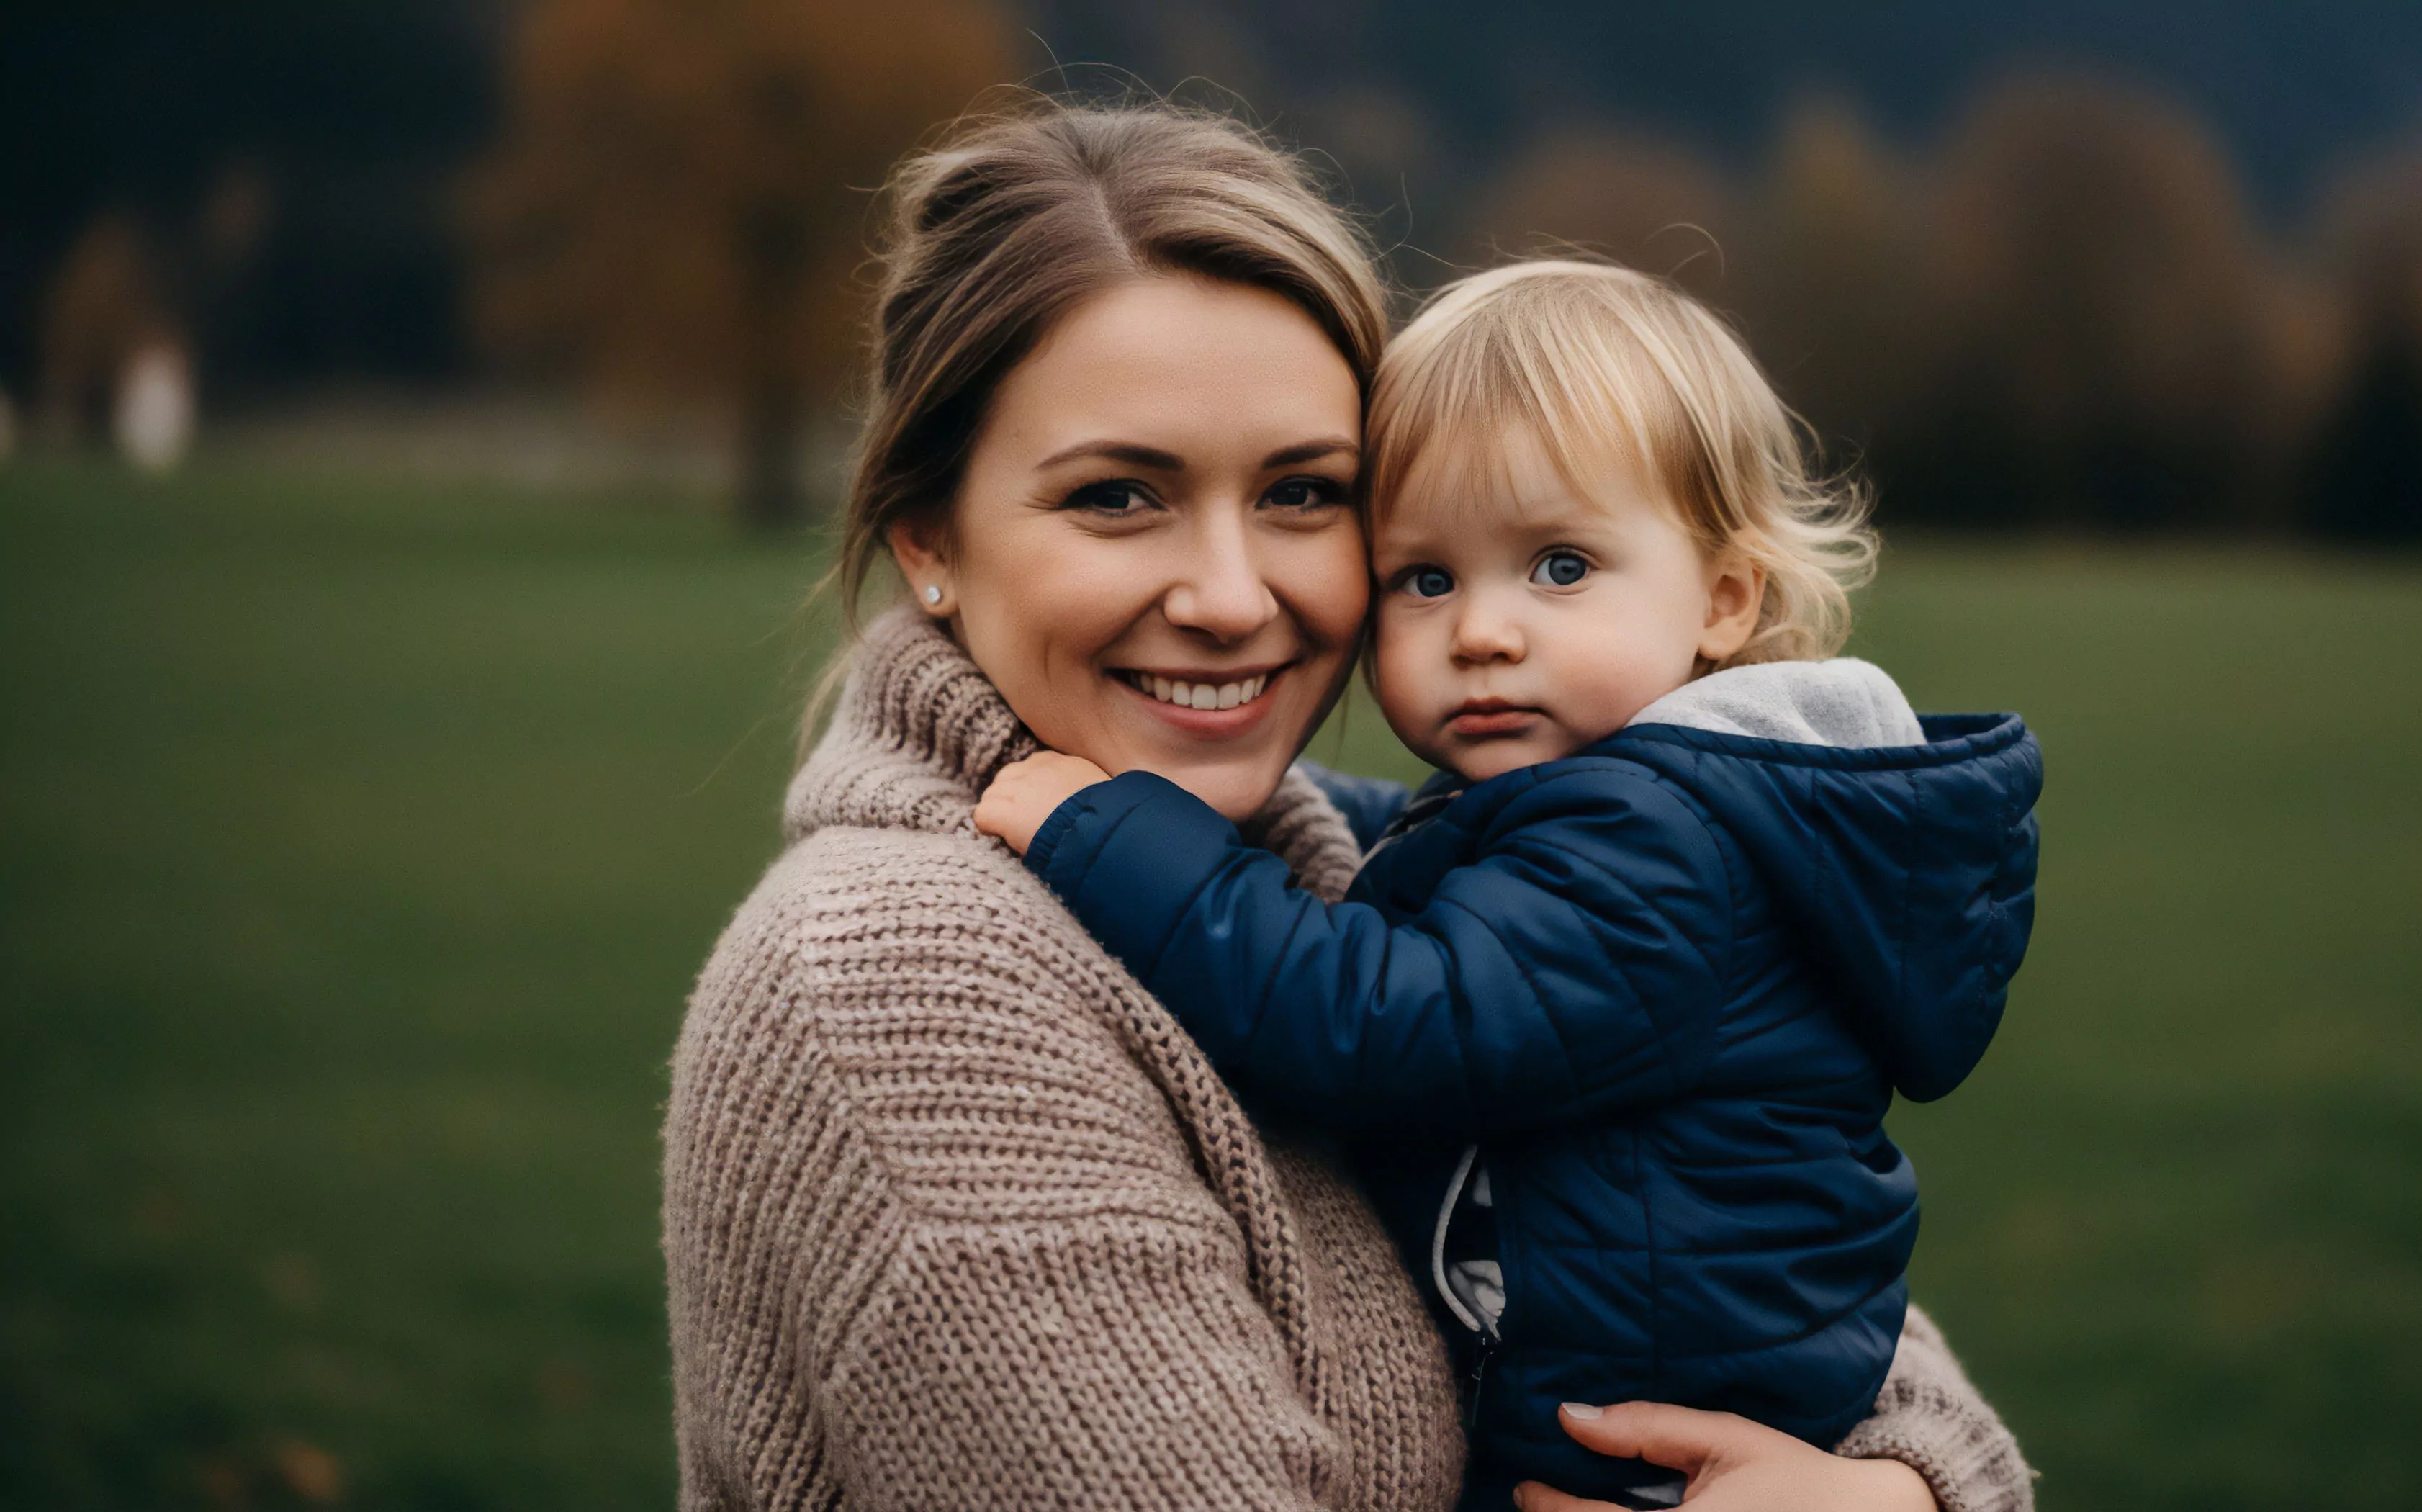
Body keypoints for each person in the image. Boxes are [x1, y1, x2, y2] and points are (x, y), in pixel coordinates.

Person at [665, 100, 2036, 1512]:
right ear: (931, 540)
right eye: (1120, 495)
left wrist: (1897, 1495)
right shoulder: (906, 991)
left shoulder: (1336, 856)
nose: (1227, 597)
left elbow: (1796, 1284)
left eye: (1302, 494)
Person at [973, 260, 2042, 1508]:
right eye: (1424, 579)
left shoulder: (1658, 847)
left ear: (1724, 597)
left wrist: (1112, 833)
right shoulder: (1675, 806)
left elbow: (1385, 1020)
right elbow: (1429, 859)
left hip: (1634, 1462)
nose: (1480, 630)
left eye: (1559, 568)